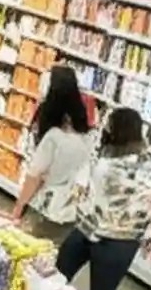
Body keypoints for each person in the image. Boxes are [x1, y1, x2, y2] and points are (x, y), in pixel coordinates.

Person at [59, 107, 151, 290]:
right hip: (111, 236)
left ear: (117, 130)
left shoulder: (107, 163)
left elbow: (88, 189)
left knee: (73, 280)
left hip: (107, 236)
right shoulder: (148, 166)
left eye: (109, 125)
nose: (105, 128)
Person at [10, 66, 92, 238]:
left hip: (44, 208)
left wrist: (18, 207)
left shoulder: (53, 137)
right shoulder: (85, 138)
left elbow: (35, 176)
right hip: (68, 212)